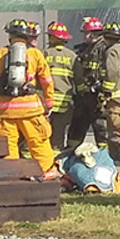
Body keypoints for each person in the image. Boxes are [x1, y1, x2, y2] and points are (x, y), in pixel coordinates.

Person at [0, 19, 59, 180]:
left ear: (9, 35)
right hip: (31, 111)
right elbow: (47, 82)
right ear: (27, 36)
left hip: (4, 112)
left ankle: (13, 175)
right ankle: (46, 172)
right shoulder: (35, 54)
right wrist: (49, 104)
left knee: (8, 145)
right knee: (38, 142)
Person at [83, 21, 120, 165]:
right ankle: (118, 156)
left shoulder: (111, 51)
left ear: (107, 37)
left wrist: (106, 90)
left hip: (116, 98)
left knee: (118, 128)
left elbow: (111, 73)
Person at [64, 17, 108, 151]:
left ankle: (104, 154)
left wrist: (102, 90)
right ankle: (70, 152)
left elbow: (108, 72)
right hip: (83, 96)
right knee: (77, 125)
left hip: (97, 96)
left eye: (86, 33)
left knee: (101, 127)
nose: (84, 36)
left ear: (95, 34)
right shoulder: (83, 49)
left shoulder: (104, 49)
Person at [44, 21, 77, 150]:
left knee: (43, 134)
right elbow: (79, 81)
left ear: (52, 37)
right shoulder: (72, 56)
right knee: (58, 135)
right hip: (64, 103)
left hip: (46, 103)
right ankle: (57, 160)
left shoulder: (44, 54)